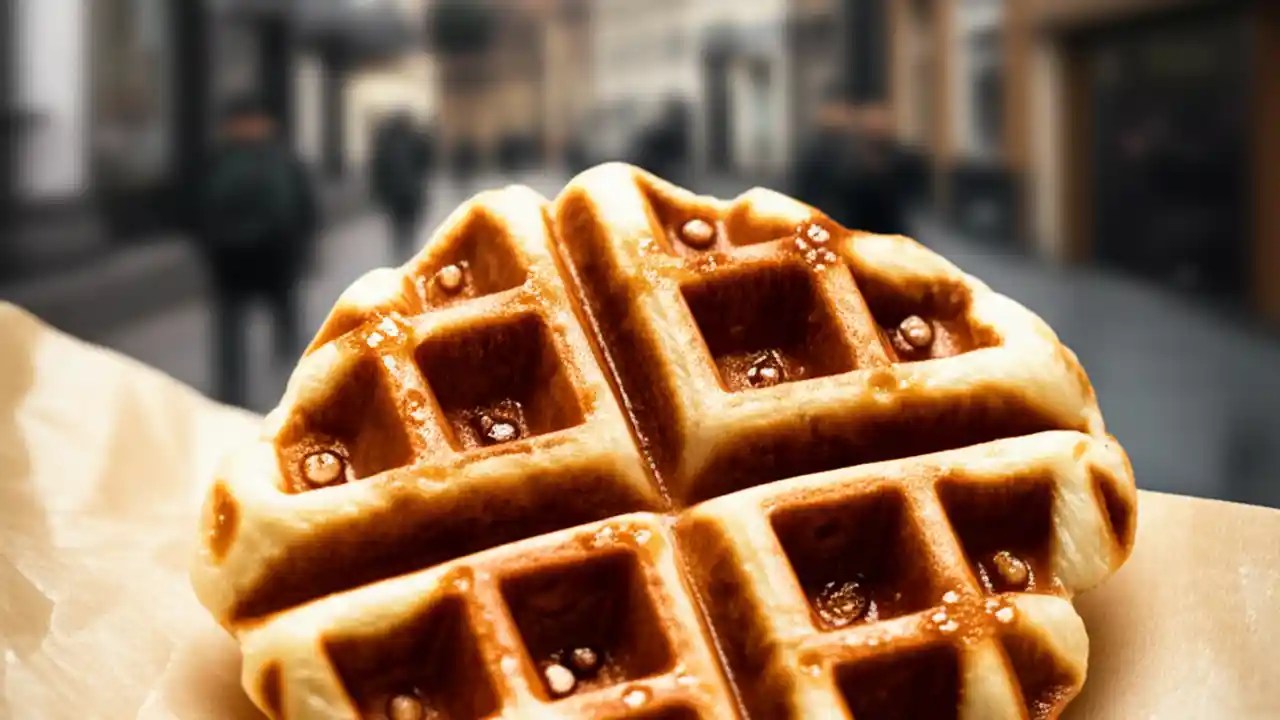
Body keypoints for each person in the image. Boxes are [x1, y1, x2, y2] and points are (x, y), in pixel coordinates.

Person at [197, 95, 318, 407]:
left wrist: (305, 249)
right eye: (241, 123)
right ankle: (230, 394)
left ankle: (298, 388)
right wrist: (210, 244)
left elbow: (305, 207)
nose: (248, 128)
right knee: (230, 332)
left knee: (286, 326)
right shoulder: (219, 161)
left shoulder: (283, 160)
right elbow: (199, 207)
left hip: (277, 257)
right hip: (232, 258)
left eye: (253, 122)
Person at [370, 112, 432, 259]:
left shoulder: (385, 144)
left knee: (398, 225)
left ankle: (401, 250)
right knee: (409, 225)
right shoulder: (415, 141)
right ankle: (407, 250)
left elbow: (378, 170)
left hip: (396, 193)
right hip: (410, 191)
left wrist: (378, 192)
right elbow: (425, 162)